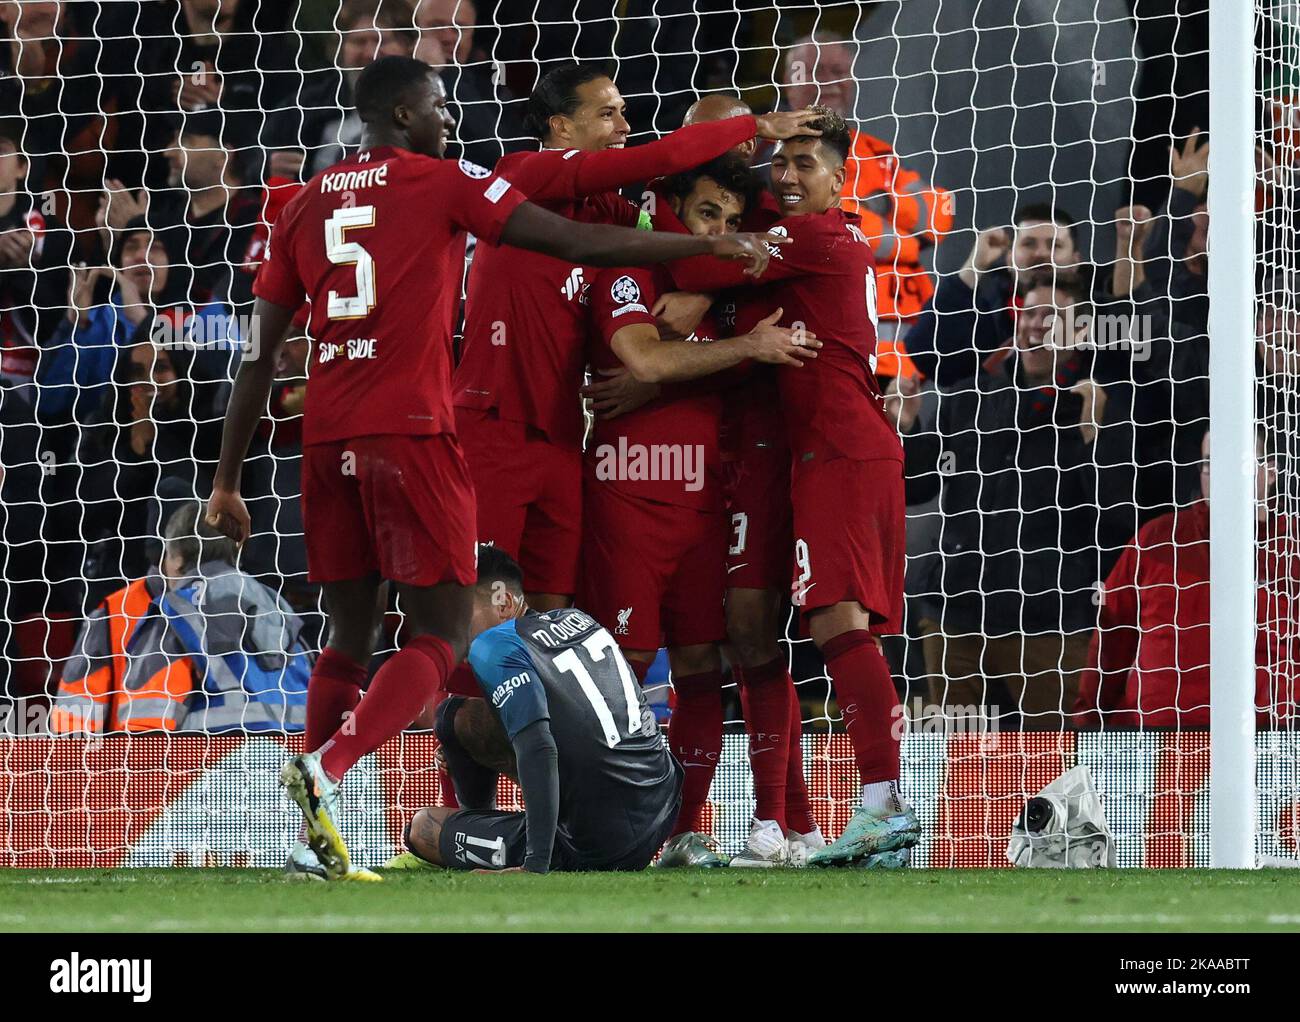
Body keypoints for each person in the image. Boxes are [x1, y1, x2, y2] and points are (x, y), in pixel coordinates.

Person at [203, 54, 789, 882]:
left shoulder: (300, 204)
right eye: (440, 106)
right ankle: (347, 775)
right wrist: (714, 231)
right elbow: (574, 230)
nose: (453, 118)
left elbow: (258, 351)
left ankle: (313, 832)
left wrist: (226, 479)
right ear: (403, 116)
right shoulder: (454, 181)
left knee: (364, 634)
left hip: (348, 439)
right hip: (430, 431)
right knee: (448, 636)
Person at [454, 62, 822, 611]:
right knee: (478, 608)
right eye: (607, 114)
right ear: (560, 127)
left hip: (559, 436)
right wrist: (758, 127)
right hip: (492, 424)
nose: (625, 125)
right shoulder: (523, 174)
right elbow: (664, 158)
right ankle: (451, 701)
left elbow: (685, 222)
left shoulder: (610, 211)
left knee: (553, 612)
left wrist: (713, 273)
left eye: (625, 112)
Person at [663, 106, 921, 868]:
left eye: (805, 162)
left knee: (838, 624)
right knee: (827, 625)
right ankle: (842, 819)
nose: (786, 174)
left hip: (841, 451)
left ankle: (884, 805)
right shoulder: (803, 237)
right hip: (820, 453)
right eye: (782, 162)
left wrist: (698, 287)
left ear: (842, 179)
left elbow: (698, 268)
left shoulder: (811, 236)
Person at [579, 153, 820, 868]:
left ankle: (682, 831)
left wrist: (719, 326)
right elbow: (647, 360)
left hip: (708, 504)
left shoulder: (731, 293)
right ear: (668, 204)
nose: (718, 230)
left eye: (730, 220)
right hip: (627, 498)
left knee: (698, 669)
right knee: (620, 670)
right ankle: (602, 825)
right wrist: (739, 345)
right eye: (706, 212)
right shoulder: (629, 272)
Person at [392, 547, 683, 874]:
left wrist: (535, 865)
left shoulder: (494, 646)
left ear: (502, 600)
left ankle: (512, 844)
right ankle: (484, 822)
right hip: (662, 803)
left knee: (422, 829)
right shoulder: (578, 618)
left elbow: (539, 748)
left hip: (599, 845)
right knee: (454, 717)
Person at [1074, 429, 1300, 729]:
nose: (1220, 475)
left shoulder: (1292, 547)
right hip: (1158, 739)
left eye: (1237, 463)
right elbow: (1111, 638)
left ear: (1270, 472)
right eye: (1210, 464)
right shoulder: (1157, 540)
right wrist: (1086, 721)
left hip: (1268, 739)